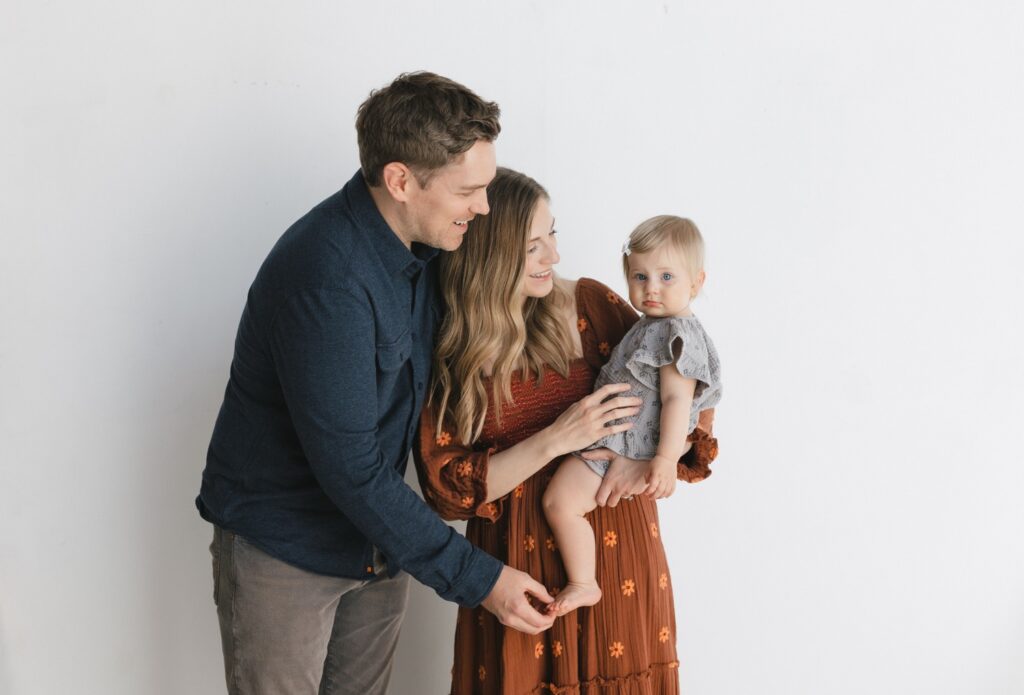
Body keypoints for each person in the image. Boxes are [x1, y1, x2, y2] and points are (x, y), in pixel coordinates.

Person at [196, 73, 555, 695]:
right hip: (285, 551)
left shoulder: (426, 245)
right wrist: (482, 580)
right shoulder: (326, 277)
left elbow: (497, 285)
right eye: (467, 190)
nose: (483, 207)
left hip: (377, 544)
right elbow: (352, 469)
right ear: (400, 181)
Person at [413, 168, 719, 694]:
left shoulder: (593, 306)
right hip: (518, 584)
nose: (554, 256)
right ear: (490, 253)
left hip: (621, 563)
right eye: (533, 246)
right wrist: (557, 438)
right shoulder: (452, 342)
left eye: (551, 234)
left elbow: (688, 396)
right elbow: (448, 491)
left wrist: (645, 461)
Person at [543, 215, 723, 616]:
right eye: (640, 276)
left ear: (696, 282)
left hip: (627, 443)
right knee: (562, 501)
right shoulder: (654, 325)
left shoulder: (676, 334)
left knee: (559, 502)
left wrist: (664, 459)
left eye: (666, 277)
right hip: (618, 435)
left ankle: (583, 583)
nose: (651, 288)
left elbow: (677, 400)